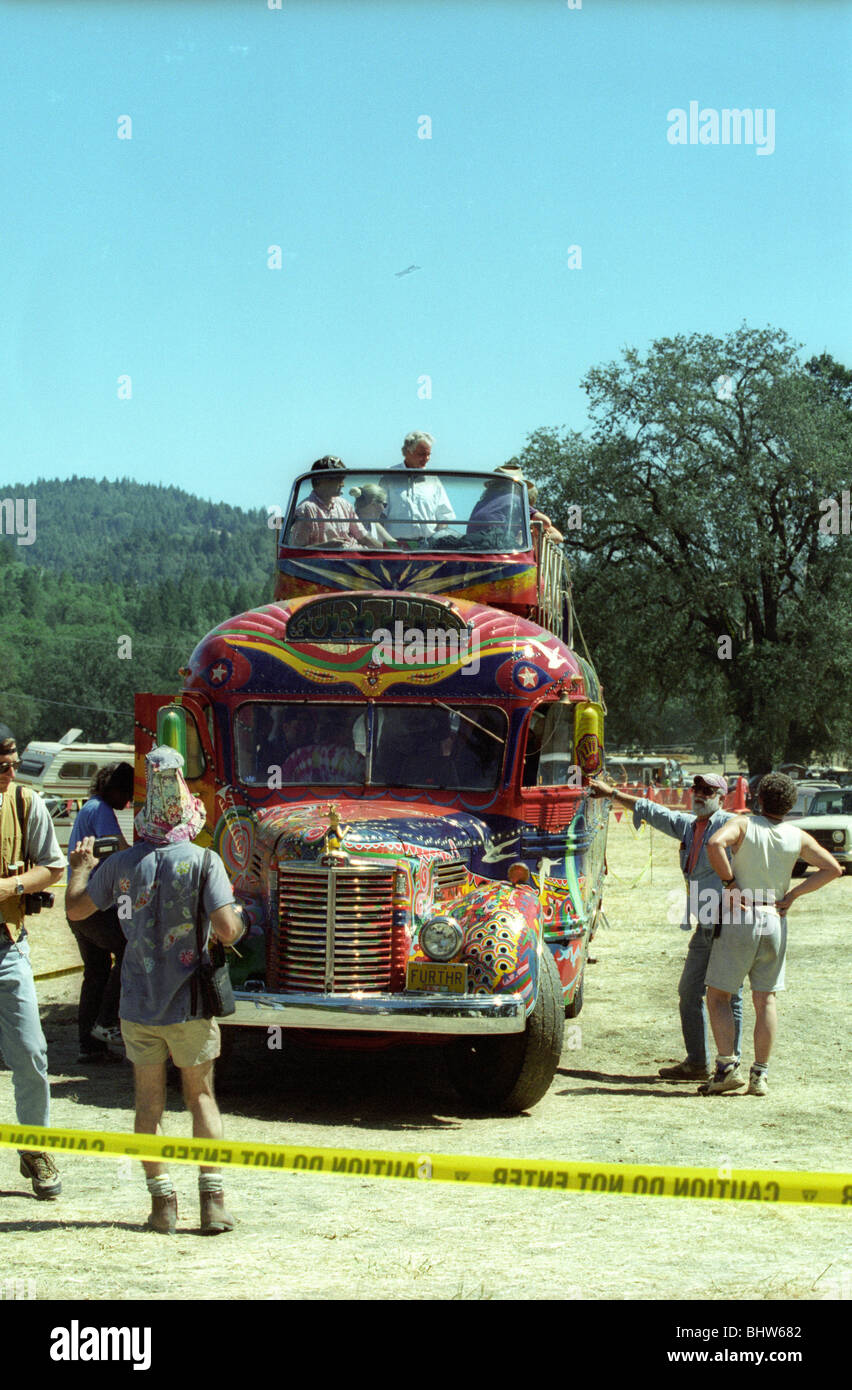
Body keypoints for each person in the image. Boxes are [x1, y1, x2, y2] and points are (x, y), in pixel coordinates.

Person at [66, 746, 245, 1235]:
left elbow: (77, 911)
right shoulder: (205, 861)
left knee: (148, 1102)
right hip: (190, 1003)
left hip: (137, 1004)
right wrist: (238, 920)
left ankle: (162, 1205)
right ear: (189, 809)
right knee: (200, 1097)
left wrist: (81, 867)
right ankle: (212, 1203)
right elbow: (228, 930)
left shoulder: (124, 863)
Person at [588, 771, 743, 1081]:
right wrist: (611, 795)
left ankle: (731, 1066)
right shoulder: (689, 826)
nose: (700, 793)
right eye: (697, 788)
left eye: (709, 790)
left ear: (722, 798)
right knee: (689, 991)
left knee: (730, 995)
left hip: (730, 923)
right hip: (706, 924)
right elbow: (653, 811)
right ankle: (698, 1062)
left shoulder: (731, 826)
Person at [701, 772, 843, 1097]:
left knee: (719, 995)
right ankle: (760, 1075)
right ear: (791, 804)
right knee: (766, 998)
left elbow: (714, 843)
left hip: (743, 914)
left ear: (759, 798)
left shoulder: (745, 824)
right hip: (774, 918)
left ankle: (726, 1068)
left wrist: (730, 883)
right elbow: (833, 868)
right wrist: (793, 895)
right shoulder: (797, 835)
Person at [0, 733, 65, 1199]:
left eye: (14, 762)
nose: (11, 772)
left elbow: (53, 867)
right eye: (3, 765)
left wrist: (14, 887)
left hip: (7, 947)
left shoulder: (26, 803)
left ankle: (36, 1149)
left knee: (30, 1052)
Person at [67, 761, 134, 1063]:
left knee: (95, 972)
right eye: (128, 794)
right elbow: (119, 849)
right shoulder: (102, 811)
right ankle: (107, 1022)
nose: (128, 802)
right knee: (130, 950)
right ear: (115, 789)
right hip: (95, 905)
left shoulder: (89, 808)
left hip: (78, 904)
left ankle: (89, 1046)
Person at [288, 457, 381, 550]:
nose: (343, 484)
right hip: (323, 563)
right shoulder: (306, 510)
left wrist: (390, 550)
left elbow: (363, 537)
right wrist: (327, 546)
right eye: (338, 479)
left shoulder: (345, 505)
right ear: (321, 481)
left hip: (355, 559)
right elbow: (296, 551)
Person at [382, 432, 455, 541]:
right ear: (407, 452)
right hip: (397, 546)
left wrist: (437, 541)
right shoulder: (390, 476)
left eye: (429, 454)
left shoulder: (433, 479)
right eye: (421, 454)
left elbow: (444, 516)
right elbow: (379, 515)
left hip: (427, 547)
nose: (426, 458)